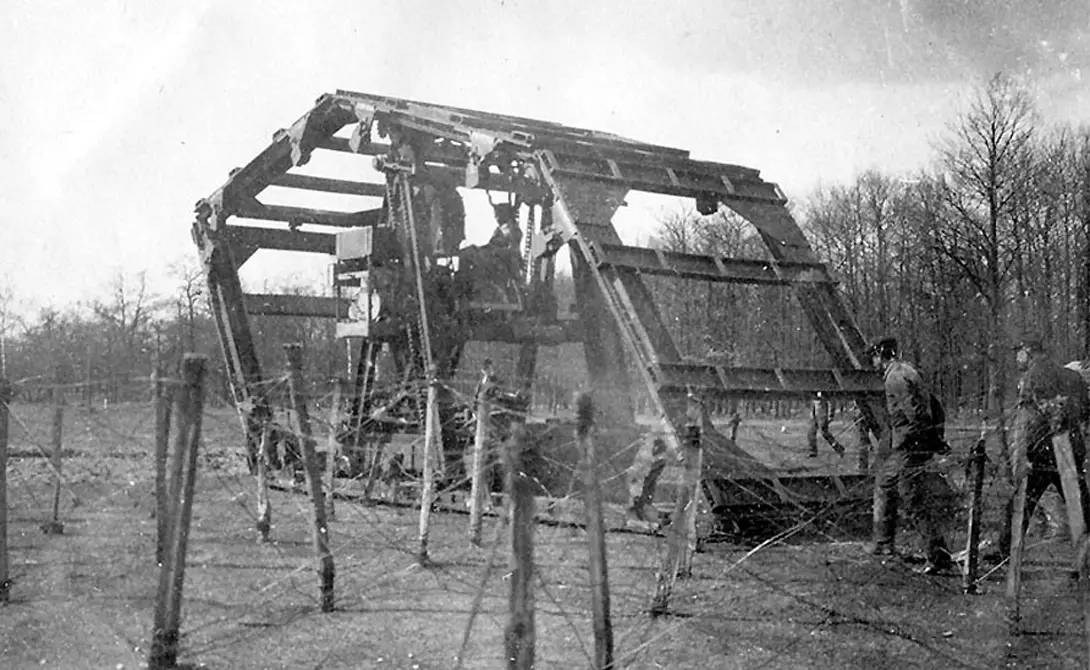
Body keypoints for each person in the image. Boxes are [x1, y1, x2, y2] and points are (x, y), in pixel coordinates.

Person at [866, 336, 954, 574]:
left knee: (913, 498)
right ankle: (884, 544)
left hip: (910, 445)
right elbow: (933, 406)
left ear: (882, 354)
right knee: (885, 483)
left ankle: (938, 557)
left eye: (874, 356)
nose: (873, 362)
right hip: (910, 442)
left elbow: (916, 413)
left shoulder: (895, 378)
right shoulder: (908, 371)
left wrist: (929, 441)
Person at [998, 333, 1090, 557]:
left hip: (1043, 451)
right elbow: (1086, 411)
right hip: (1071, 447)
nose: (1016, 359)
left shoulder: (1034, 375)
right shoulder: (1072, 375)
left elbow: (1037, 417)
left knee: (1022, 503)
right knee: (1081, 505)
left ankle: (1005, 554)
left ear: (1027, 351)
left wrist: (1024, 453)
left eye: (1018, 353)